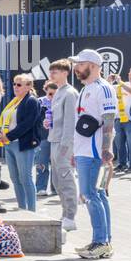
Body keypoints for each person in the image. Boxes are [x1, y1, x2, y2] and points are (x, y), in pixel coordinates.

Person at [70, 49, 117, 259]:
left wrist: (107, 148)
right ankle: (103, 241)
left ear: (92, 65)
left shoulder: (103, 88)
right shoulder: (86, 89)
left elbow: (109, 121)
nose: (76, 68)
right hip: (83, 150)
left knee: (89, 194)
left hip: (94, 150)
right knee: (96, 194)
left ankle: (101, 242)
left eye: (80, 64)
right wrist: (74, 150)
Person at [0, 74, 44, 212]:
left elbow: (27, 124)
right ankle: (21, 208)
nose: (15, 87)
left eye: (19, 84)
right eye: (14, 84)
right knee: (15, 178)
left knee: (25, 178)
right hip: (9, 144)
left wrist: (9, 136)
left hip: (23, 144)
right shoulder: (15, 101)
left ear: (29, 86)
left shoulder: (31, 101)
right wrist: (2, 135)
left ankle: (31, 211)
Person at [46, 60, 80, 231]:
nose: (52, 74)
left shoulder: (70, 93)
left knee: (66, 179)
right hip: (54, 139)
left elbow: (70, 123)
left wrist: (67, 147)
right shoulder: (58, 92)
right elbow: (58, 119)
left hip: (63, 142)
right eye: (51, 71)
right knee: (57, 180)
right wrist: (49, 123)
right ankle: (65, 213)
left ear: (66, 73)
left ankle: (70, 216)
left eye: (56, 71)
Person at [35, 82, 57, 196]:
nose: (51, 96)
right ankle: (40, 187)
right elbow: (34, 119)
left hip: (58, 137)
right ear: (45, 90)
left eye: (54, 93)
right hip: (44, 137)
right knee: (42, 162)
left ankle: (56, 188)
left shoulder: (62, 101)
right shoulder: (40, 102)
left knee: (57, 163)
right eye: (50, 93)